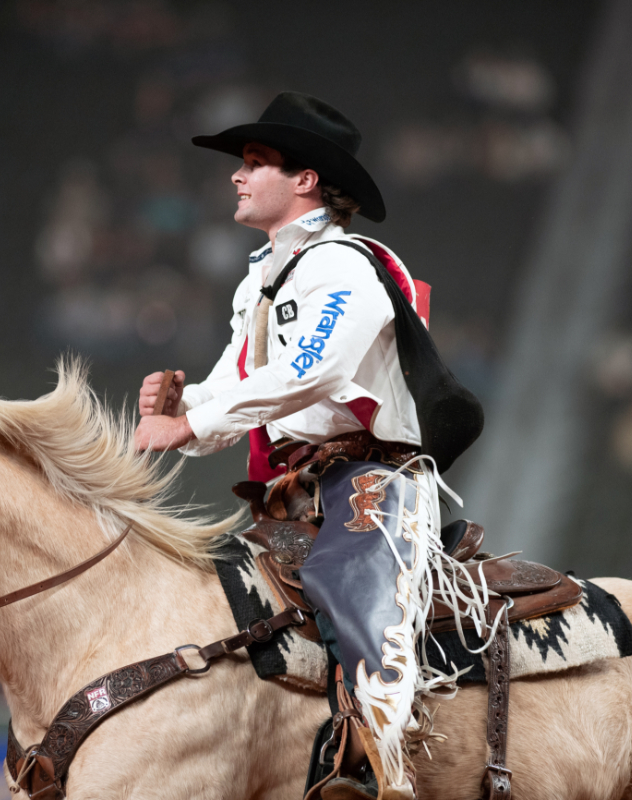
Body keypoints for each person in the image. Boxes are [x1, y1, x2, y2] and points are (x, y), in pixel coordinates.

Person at [134, 92, 484, 800]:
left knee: (351, 589)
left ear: (305, 180)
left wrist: (189, 425)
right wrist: (185, 406)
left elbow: (311, 372)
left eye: (256, 162)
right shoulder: (262, 279)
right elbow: (238, 388)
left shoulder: (345, 264)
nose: (238, 175)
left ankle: (388, 772)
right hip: (295, 491)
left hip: (373, 478)